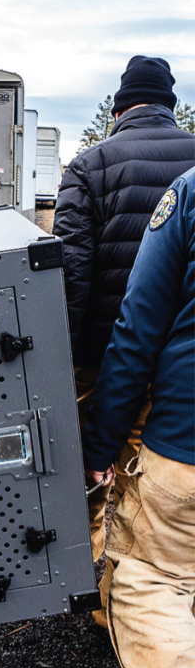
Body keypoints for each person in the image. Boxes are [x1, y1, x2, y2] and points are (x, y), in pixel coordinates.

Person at [53, 55, 195, 626]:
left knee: (97, 480)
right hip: (174, 374)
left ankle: (104, 604)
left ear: (117, 110)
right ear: (170, 106)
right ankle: (147, 599)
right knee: (151, 485)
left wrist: (62, 365)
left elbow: (70, 278)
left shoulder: (90, 166)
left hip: (102, 359)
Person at [83, 165, 195, 668]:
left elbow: (137, 328)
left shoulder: (189, 193)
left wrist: (101, 443)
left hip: (183, 449)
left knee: (153, 577)